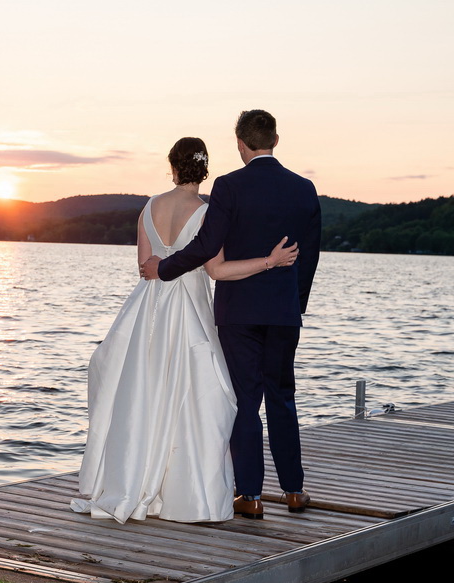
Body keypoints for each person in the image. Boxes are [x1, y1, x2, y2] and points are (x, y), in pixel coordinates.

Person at [71, 137, 298, 524]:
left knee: (144, 393)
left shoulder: (149, 206)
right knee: (201, 398)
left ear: (172, 167)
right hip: (189, 312)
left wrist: (163, 265)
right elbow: (217, 271)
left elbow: (146, 267)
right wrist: (269, 262)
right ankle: (184, 490)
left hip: (148, 310)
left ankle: (136, 480)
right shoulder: (208, 212)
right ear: (204, 169)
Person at [142, 111, 321, 520]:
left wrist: (164, 269)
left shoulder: (229, 186)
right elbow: (309, 258)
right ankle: (294, 491)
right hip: (283, 311)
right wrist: (295, 304)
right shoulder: (304, 189)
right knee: (283, 398)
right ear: (276, 138)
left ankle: (252, 496)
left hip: (238, 311)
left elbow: (207, 243)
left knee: (245, 401)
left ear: (240, 143)